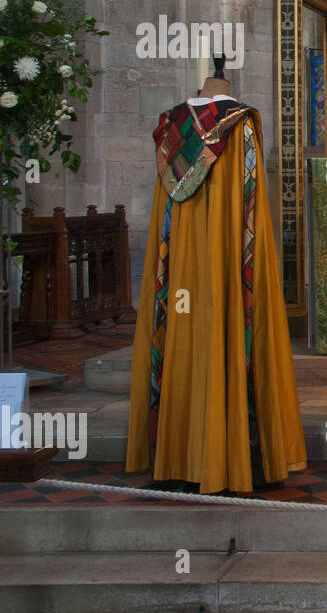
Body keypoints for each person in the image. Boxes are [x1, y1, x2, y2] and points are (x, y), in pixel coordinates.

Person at [126, 56, 306, 493]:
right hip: (228, 256)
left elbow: (169, 204)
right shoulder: (239, 122)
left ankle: (175, 451)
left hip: (182, 258)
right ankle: (232, 452)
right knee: (228, 321)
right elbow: (248, 203)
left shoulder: (171, 127)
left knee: (180, 323)